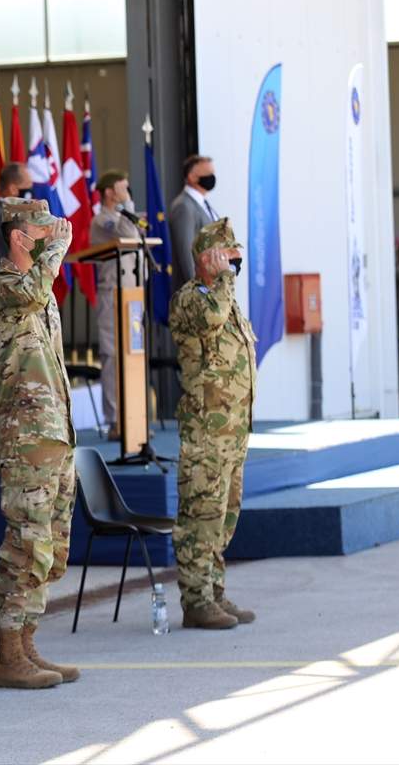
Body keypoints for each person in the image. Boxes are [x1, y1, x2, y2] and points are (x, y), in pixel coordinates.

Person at [0, 197, 80, 690]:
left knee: (52, 547)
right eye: (44, 233)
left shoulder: (40, 292)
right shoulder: (3, 287)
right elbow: (35, 289)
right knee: (26, 544)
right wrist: (57, 251)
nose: (56, 236)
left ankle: (27, 645)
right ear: (20, 238)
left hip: (54, 434)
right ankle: (7, 655)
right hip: (26, 438)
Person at [169, 218, 257, 631]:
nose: (234, 267)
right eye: (228, 257)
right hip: (206, 430)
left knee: (224, 515)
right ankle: (196, 599)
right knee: (200, 516)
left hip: (233, 430)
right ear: (207, 258)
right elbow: (211, 319)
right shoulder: (193, 299)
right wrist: (223, 280)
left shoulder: (224, 298)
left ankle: (215, 591)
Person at [89, 170, 143, 439]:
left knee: (132, 354)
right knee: (112, 357)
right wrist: (128, 207)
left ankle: (133, 417)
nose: (127, 192)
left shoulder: (122, 216)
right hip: (113, 294)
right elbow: (126, 233)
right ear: (110, 192)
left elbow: (135, 236)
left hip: (131, 294)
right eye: (123, 188)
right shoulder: (102, 220)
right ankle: (114, 420)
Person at [168, 155, 219, 290]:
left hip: (212, 285)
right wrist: (198, 288)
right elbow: (186, 251)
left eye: (212, 173)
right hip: (198, 293)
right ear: (191, 177)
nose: (212, 177)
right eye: (207, 174)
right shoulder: (184, 206)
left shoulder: (203, 203)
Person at [0, 162, 35, 273]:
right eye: (28, 186)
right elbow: (8, 262)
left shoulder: (12, 215)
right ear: (13, 189)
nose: (32, 191)